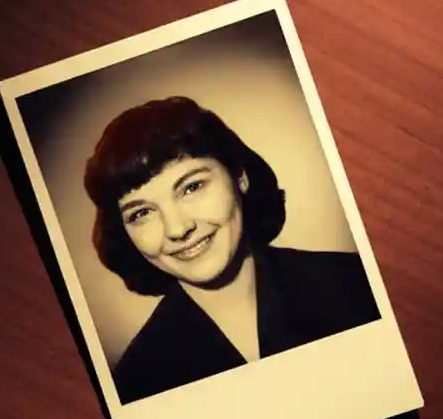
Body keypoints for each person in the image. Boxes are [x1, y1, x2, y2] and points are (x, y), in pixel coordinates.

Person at [84, 96, 380, 403]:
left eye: (192, 187)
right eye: (141, 213)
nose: (177, 229)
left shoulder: (358, 284)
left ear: (240, 176)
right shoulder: (136, 382)